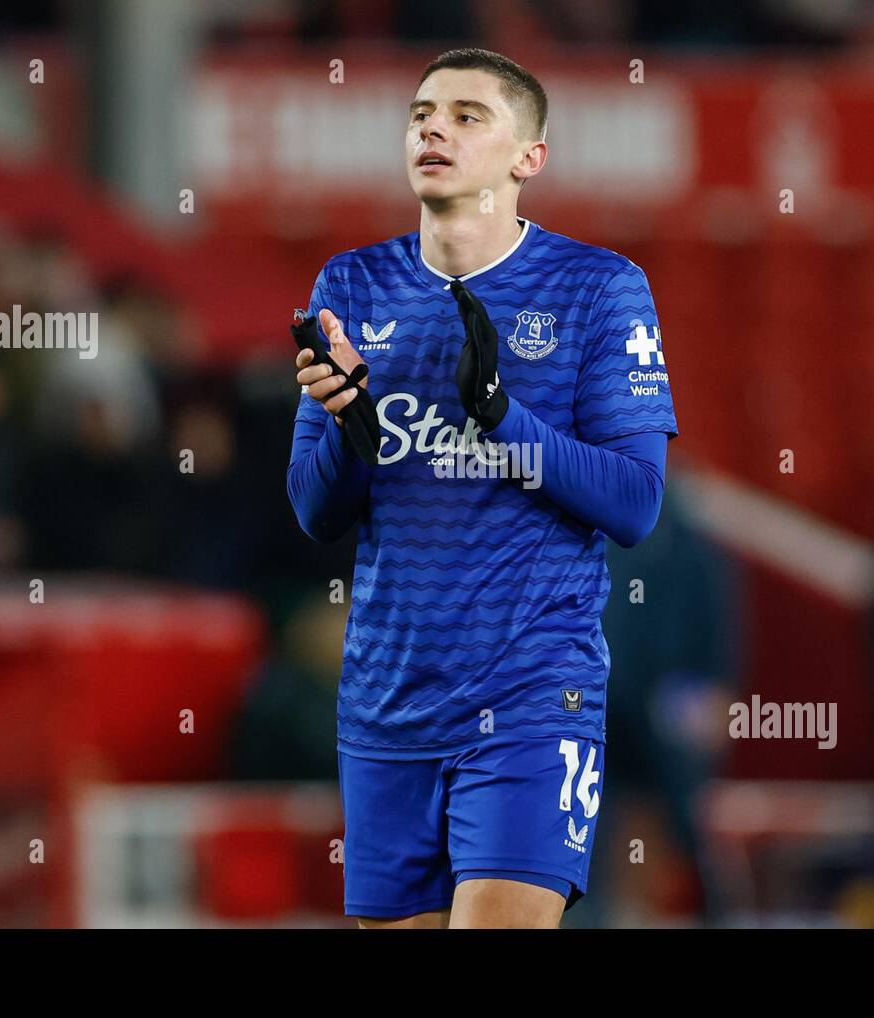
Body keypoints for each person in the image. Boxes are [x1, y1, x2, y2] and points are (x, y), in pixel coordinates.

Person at [287, 48, 678, 928]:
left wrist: (503, 419)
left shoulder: (598, 289)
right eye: (423, 112)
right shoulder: (351, 284)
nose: (433, 127)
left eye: (468, 116)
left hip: (533, 693)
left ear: (525, 158)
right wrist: (354, 430)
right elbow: (316, 513)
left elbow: (635, 503)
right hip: (389, 699)